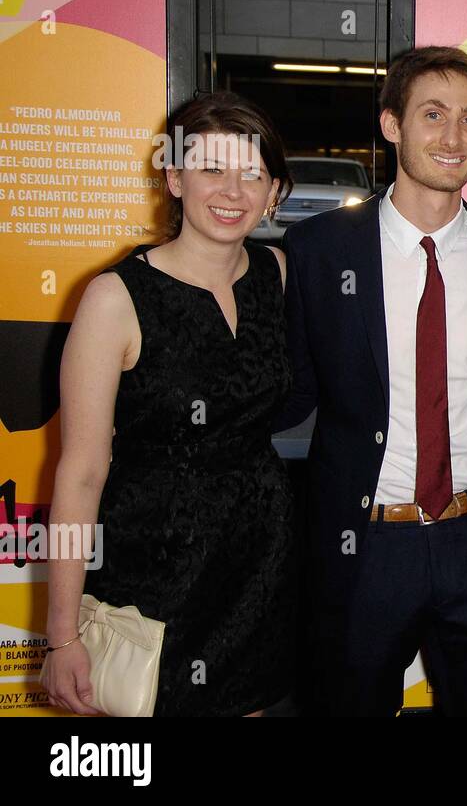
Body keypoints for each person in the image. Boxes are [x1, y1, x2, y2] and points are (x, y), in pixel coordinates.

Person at [278, 46, 467, 716]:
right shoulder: (319, 251)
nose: (453, 137)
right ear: (391, 123)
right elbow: (287, 394)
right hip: (365, 543)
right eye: (432, 114)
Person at [43, 92, 296, 716]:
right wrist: (63, 634)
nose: (232, 190)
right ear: (175, 177)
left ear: (275, 193)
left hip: (260, 563)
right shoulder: (114, 299)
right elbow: (80, 473)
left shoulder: (278, 274)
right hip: (152, 575)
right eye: (212, 167)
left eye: (252, 173)